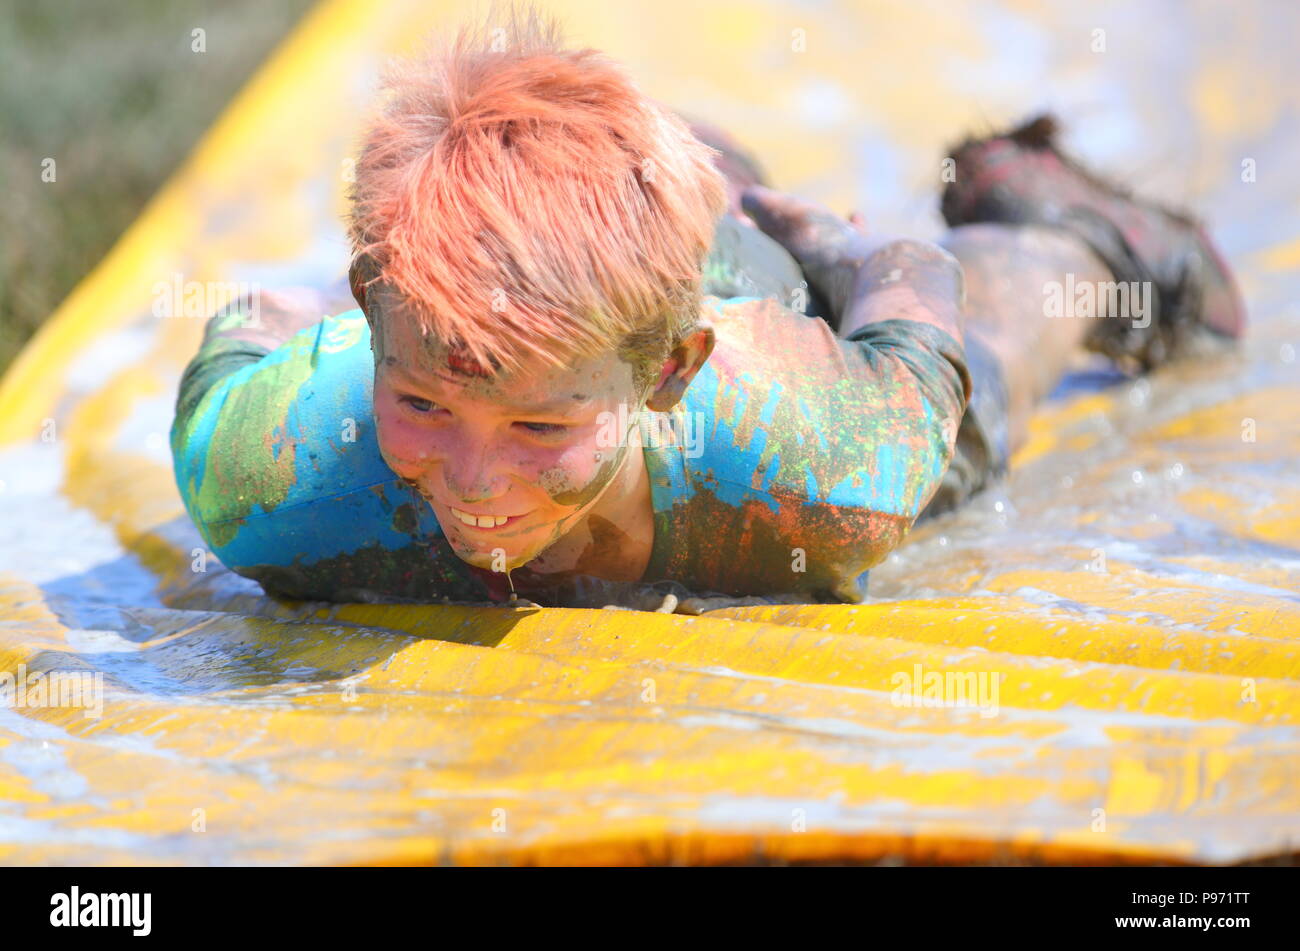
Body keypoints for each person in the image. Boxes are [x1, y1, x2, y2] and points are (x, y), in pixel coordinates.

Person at [171, 17, 1245, 611]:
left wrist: (848, 252)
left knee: (979, 409)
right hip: (582, 233)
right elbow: (255, 315)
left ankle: (1060, 220)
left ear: (674, 373)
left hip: (759, 257)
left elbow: (917, 311)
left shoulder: (817, 461)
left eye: (539, 428)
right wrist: (383, 304)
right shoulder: (270, 470)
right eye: (420, 406)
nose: (473, 478)